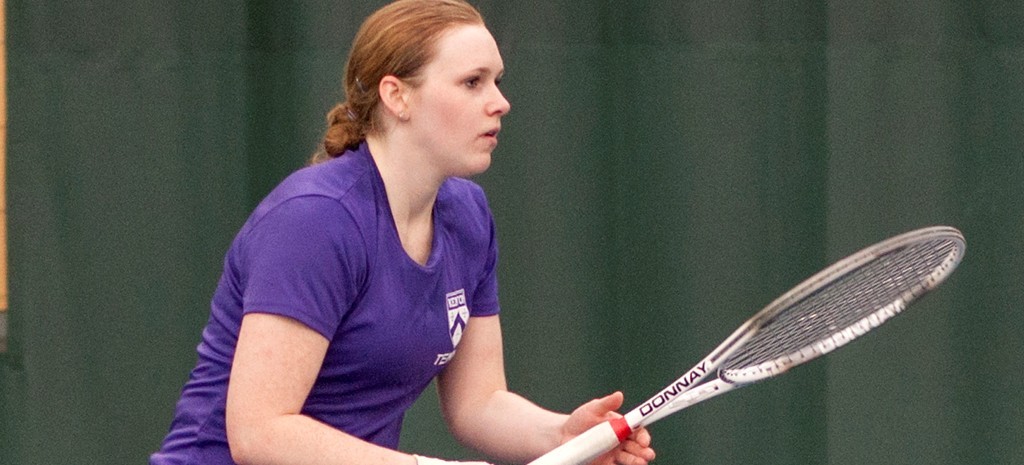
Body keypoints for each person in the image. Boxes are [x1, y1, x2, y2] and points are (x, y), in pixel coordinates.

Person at [150, 1, 656, 464]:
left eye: (497, 81)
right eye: (472, 82)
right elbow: (260, 432)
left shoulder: (468, 216)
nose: (500, 102)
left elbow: (477, 403)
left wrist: (560, 435)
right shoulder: (315, 221)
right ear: (397, 96)